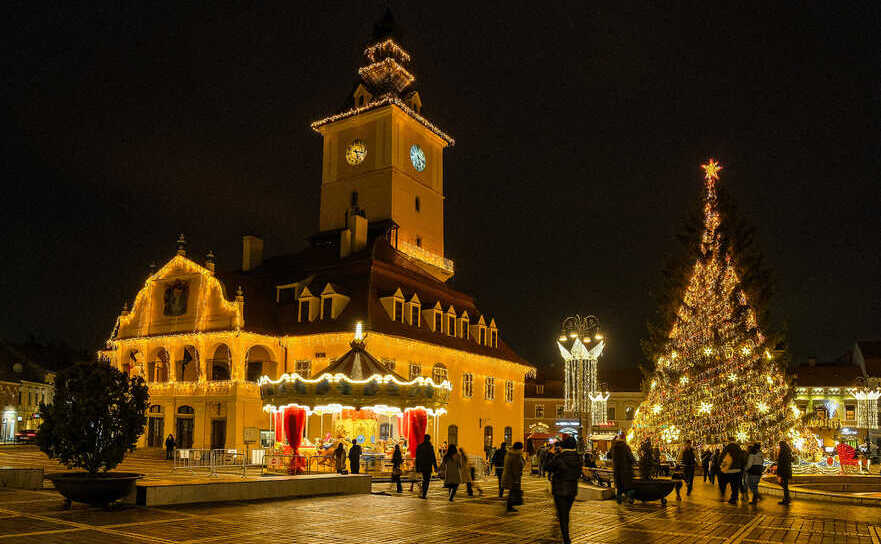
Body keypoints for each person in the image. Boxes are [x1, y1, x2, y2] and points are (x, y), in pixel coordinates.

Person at [545, 436, 581, 544]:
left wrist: (551, 454)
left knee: (563, 515)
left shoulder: (560, 457)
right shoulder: (578, 458)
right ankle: (565, 536)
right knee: (566, 513)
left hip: (560, 489)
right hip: (572, 490)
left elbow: (547, 466)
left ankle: (566, 538)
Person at [611, 433, 636, 504]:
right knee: (628, 486)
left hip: (617, 469)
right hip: (626, 470)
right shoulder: (625, 447)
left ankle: (619, 498)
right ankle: (630, 498)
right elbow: (630, 457)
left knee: (619, 486)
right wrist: (633, 461)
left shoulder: (614, 447)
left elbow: (610, 456)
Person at [502, 441, 525, 512]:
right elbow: (516, 469)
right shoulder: (515, 456)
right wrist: (516, 479)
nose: (522, 450)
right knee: (513, 491)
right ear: (518, 449)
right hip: (512, 477)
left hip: (509, 476)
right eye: (521, 448)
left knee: (512, 492)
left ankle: (509, 506)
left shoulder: (510, 454)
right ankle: (509, 506)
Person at [720, 437, 744, 504]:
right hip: (738, 469)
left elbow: (722, 456)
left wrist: (720, 465)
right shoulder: (739, 448)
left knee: (729, 484)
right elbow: (742, 458)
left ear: (729, 441)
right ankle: (735, 497)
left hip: (730, 469)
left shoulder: (727, 448)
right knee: (735, 485)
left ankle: (733, 498)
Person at [415, 434, 438, 499]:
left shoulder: (420, 446)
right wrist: (435, 467)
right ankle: (424, 493)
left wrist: (417, 467)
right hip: (428, 466)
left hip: (421, 466)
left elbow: (417, 458)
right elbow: (433, 457)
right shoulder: (430, 447)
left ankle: (423, 492)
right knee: (426, 480)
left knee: (423, 480)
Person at [777, 440, 792, 505]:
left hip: (783, 471)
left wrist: (779, 474)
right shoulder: (788, 452)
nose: (778, 447)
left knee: (783, 484)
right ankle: (787, 498)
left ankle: (787, 499)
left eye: (779, 445)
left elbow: (781, 464)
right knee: (785, 485)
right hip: (787, 470)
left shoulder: (782, 453)